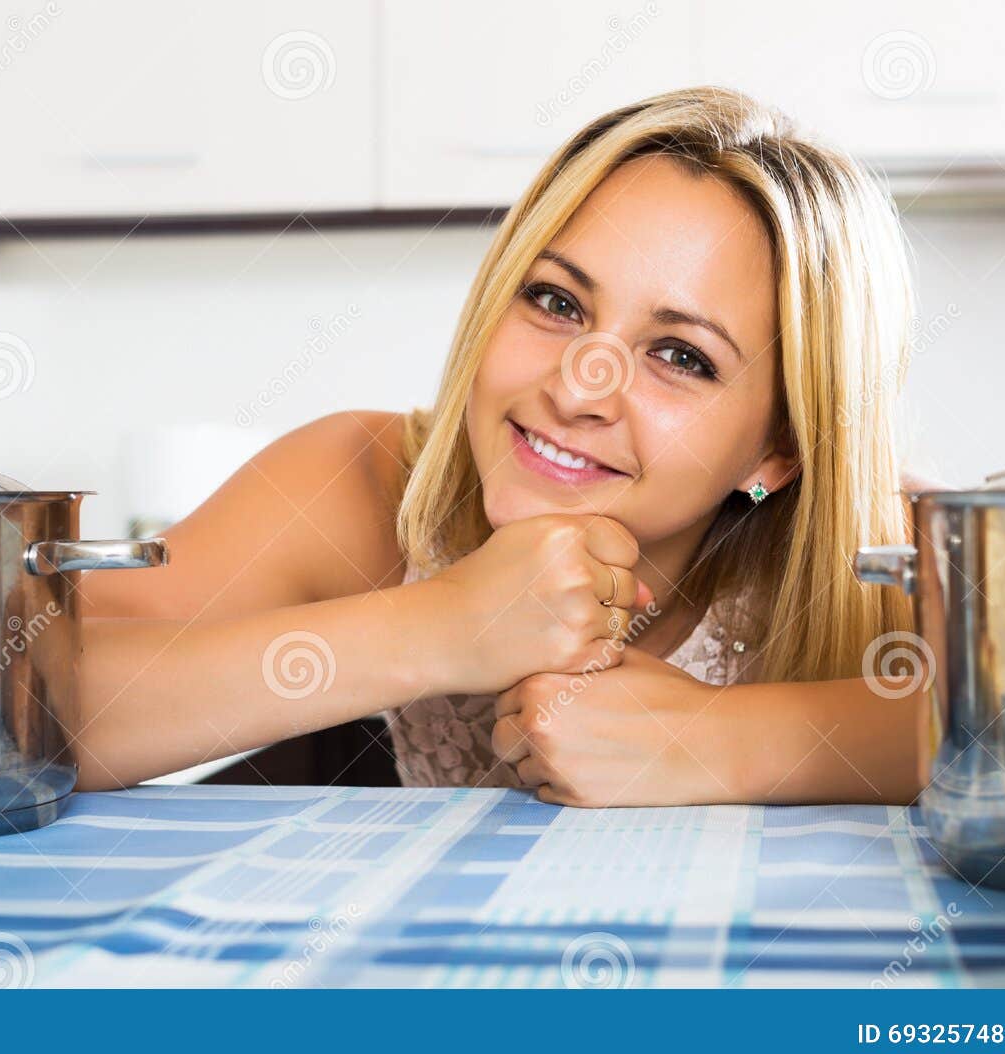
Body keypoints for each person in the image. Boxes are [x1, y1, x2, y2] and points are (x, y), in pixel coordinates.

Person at [70, 86, 923, 807]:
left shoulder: (888, 544)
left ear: (780, 450)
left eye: (680, 356)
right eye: (557, 302)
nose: (576, 387)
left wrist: (718, 740)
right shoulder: (362, 481)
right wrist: (439, 626)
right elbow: (15, 700)